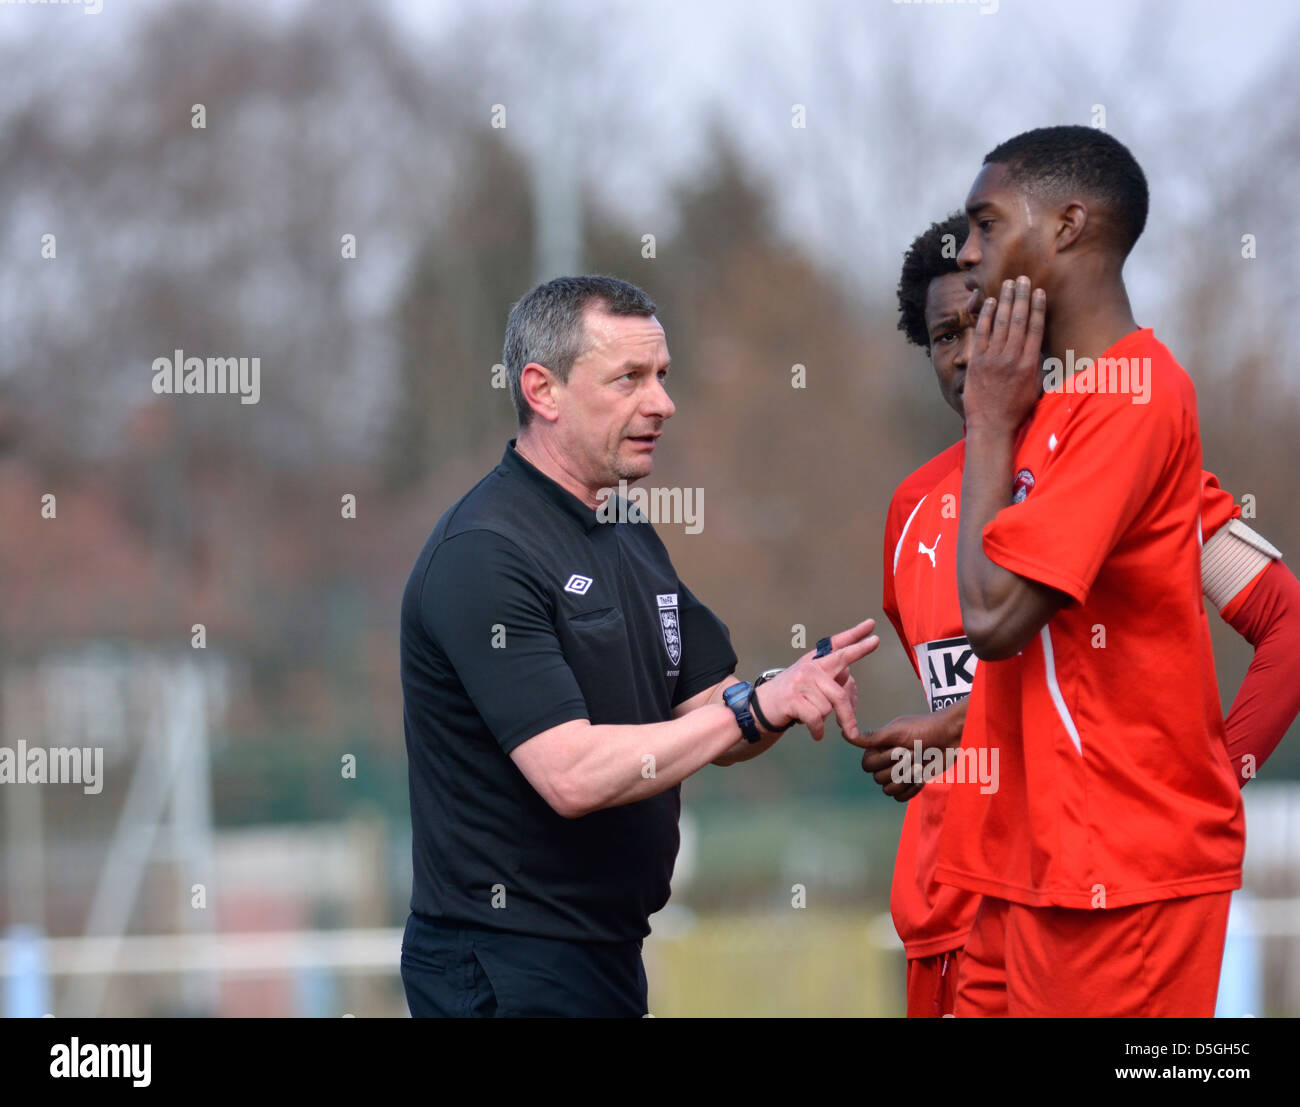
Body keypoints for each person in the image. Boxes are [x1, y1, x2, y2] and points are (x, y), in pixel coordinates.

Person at [853, 210, 1300, 1018]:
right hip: (946, 914)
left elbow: (1290, 629)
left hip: (1083, 906)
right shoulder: (911, 509)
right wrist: (936, 742)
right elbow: (998, 691)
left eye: (980, 322)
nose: (964, 355)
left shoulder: (1118, 461)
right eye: (943, 336)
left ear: (1028, 322)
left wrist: (1215, 781)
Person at [398, 274, 879, 1017]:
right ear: (542, 390)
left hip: (607, 958)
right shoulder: (484, 553)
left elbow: (712, 714)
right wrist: (752, 711)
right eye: (629, 378)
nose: (662, 402)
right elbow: (572, 775)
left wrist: (784, 694)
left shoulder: (627, 529)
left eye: (662, 376)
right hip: (502, 965)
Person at [933, 124, 1259, 1018]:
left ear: (1069, 225)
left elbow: (996, 620)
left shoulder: (1138, 394)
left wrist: (988, 425)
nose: (966, 251)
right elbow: (1071, 659)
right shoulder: (1048, 397)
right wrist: (955, 731)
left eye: (987, 223)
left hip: (1120, 872)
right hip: (1023, 864)